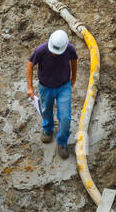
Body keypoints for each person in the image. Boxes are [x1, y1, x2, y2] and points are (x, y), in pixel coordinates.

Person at [25, 28, 78, 160]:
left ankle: (62, 142)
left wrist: (73, 78)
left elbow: (74, 61)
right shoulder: (41, 50)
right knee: (46, 109)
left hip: (63, 87)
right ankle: (48, 129)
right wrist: (30, 87)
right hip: (45, 87)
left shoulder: (70, 49)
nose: (55, 54)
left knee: (65, 117)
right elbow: (30, 65)